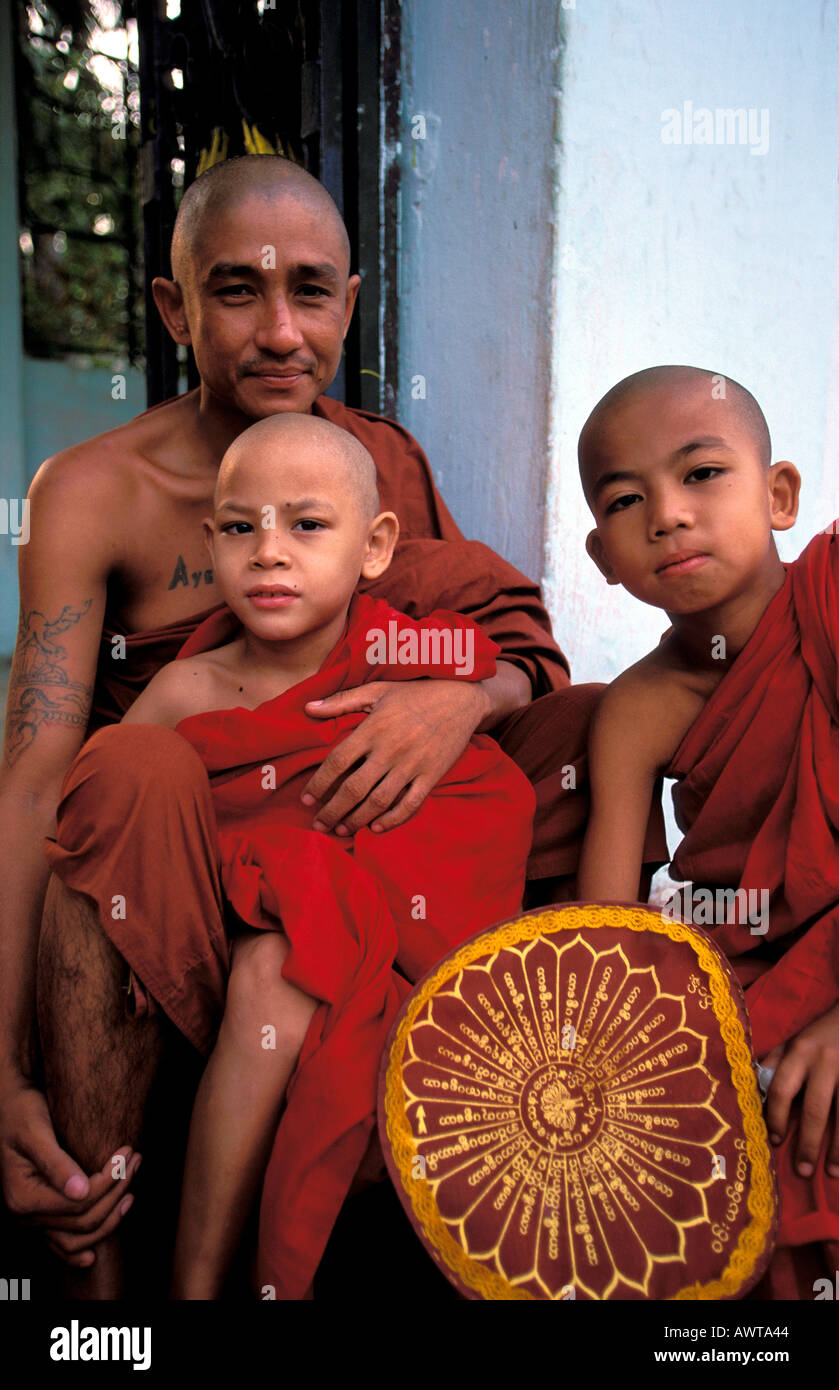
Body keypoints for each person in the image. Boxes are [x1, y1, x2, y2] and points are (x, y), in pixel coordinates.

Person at [1, 154, 664, 1294]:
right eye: (232, 290)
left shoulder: (377, 459)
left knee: (598, 726)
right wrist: (1, 1073)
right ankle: (98, 1267)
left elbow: (502, 637)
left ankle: (569, 1078)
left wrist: (459, 698)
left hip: (374, 833)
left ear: (349, 304)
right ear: (172, 307)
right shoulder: (94, 489)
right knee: (126, 774)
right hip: (189, 878)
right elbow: (35, 773)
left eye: (309, 290)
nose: (276, 330)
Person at [576, 364, 839, 1296]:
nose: (668, 515)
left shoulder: (833, 600)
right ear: (602, 558)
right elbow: (604, 938)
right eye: (624, 499)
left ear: (778, 496)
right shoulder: (635, 712)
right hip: (747, 971)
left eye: (701, 475)